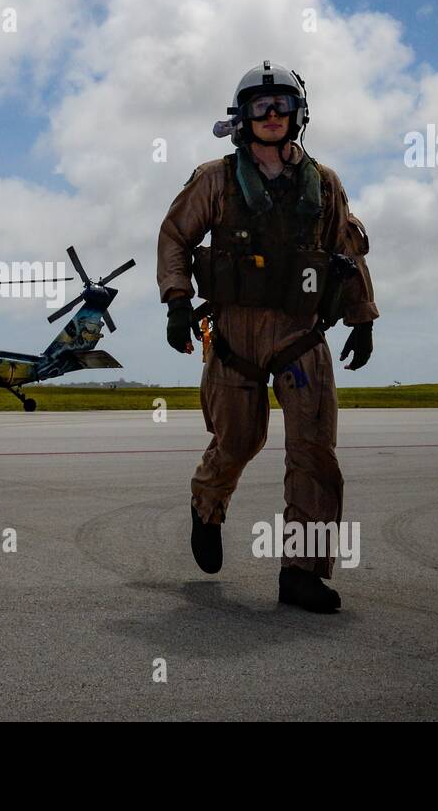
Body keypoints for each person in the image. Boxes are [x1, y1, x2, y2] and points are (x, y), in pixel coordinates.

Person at [156, 60, 378, 613]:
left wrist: (363, 318)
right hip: (233, 336)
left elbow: (347, 253)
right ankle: (207, 503)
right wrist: (177, 302)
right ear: (243, 117)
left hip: (300, 336)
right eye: (260, 106)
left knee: (314, 453)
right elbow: (175, 237)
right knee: (237, 442)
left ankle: (302, 573)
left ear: (298, 115)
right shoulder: (216, 179)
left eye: (281, 105)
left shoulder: (324, 184)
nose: (272, 114)